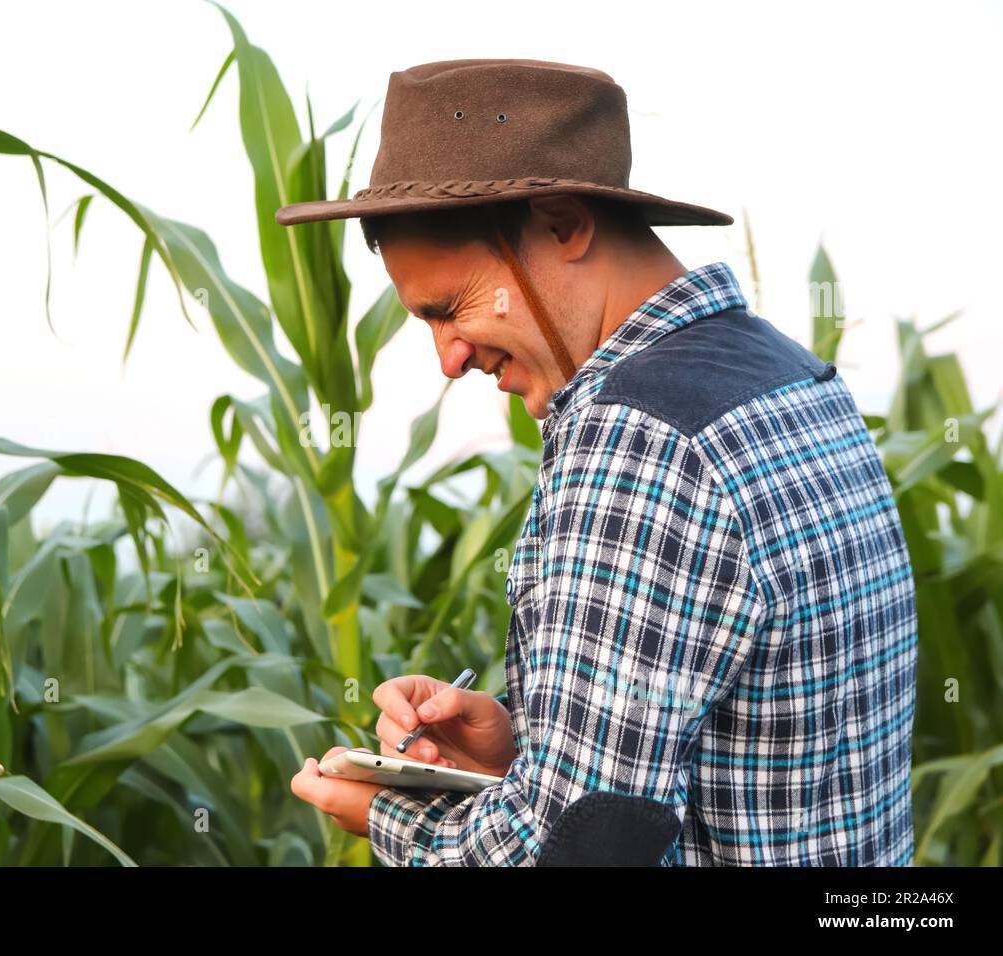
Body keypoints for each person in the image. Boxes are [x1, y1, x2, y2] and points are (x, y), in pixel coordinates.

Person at [283, 59, 917, 866]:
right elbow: (749, 740)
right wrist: (525, 740)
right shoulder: (794, 381)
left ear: (560, 224)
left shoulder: (641, 437)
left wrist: (386, 818)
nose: (449, 357)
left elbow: (573, 849)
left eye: (452, 309)